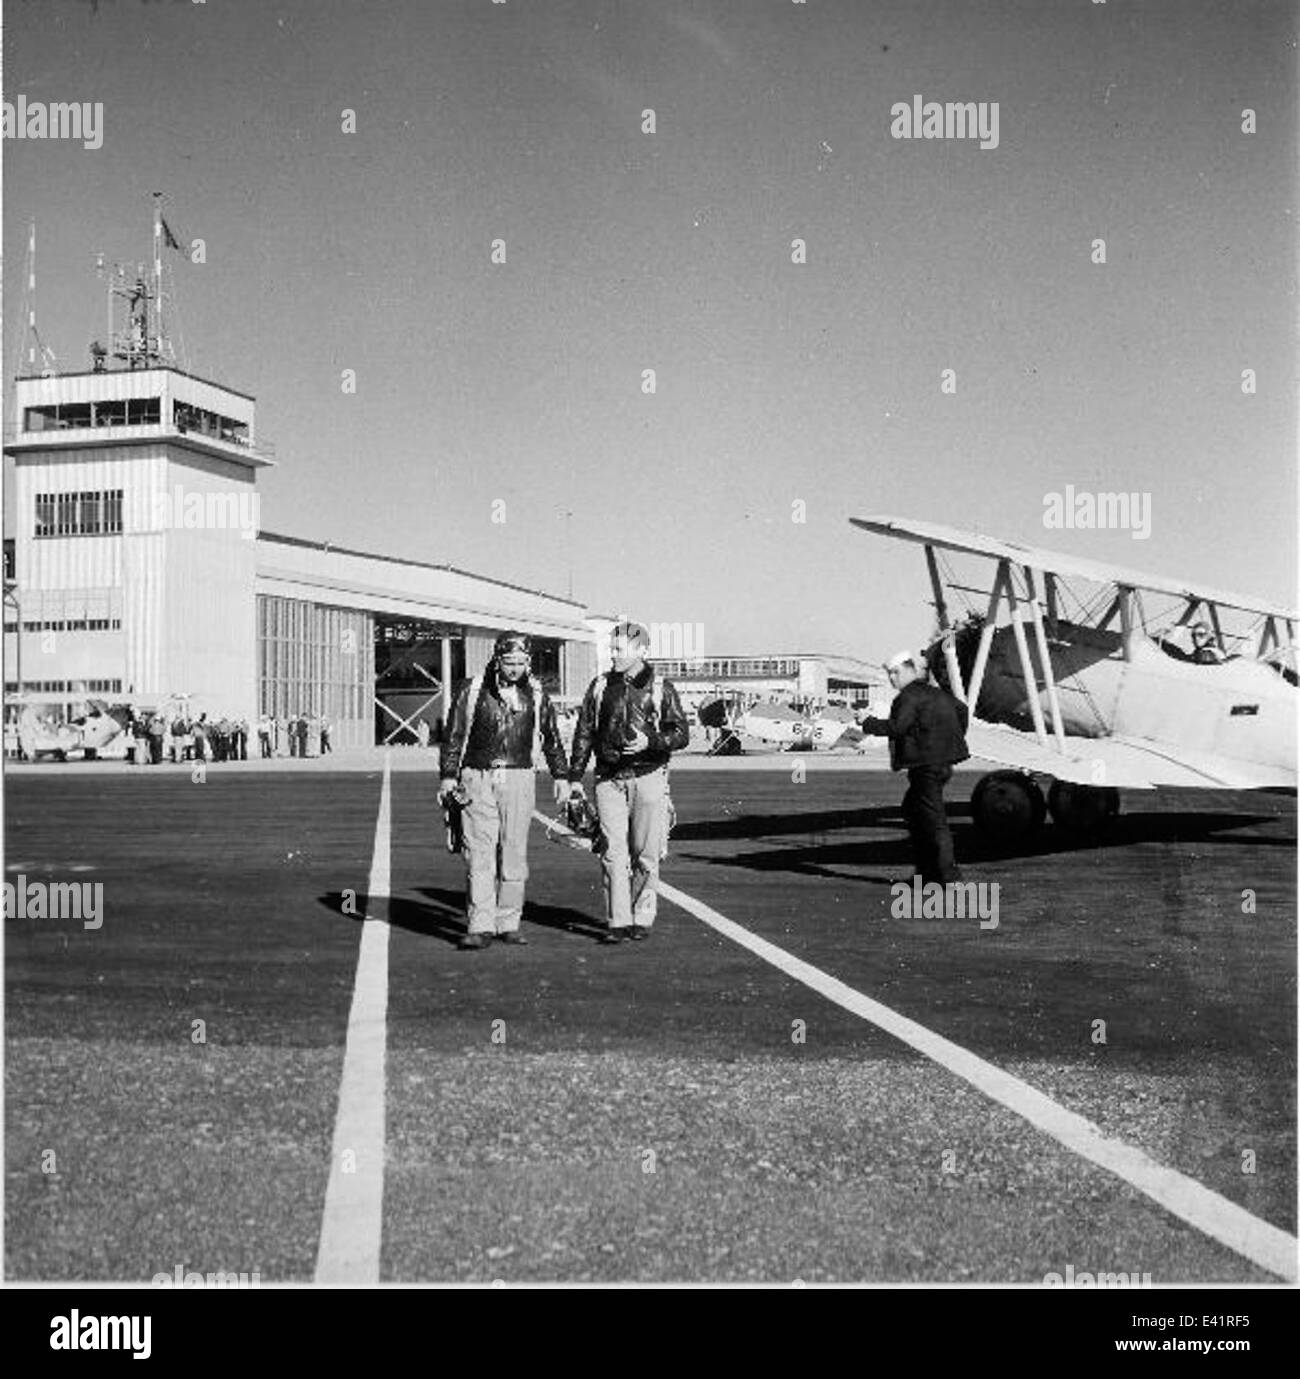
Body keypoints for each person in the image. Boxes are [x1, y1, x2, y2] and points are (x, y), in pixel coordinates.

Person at [438, 631, 570, 950]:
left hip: (519, 776)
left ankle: (508, 921)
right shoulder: (471, 691)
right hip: (476, 777)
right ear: (497, 658)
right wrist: (447, 776)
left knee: (513, 852)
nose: (515, 668)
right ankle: (480, 924)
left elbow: (551, 738)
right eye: (509, 661)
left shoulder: (537, 695)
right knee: (479, 853)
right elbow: (454, 735)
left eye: (521, 662)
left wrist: (562, 776)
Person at [568, 620, 691, 943]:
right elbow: (584, 733)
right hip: (609, 779)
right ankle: (617, 921)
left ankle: (642, 915)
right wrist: (574, 778)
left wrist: (650, 741)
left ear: (642, 651)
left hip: (648, 777)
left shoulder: (661, 687)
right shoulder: (599, 686)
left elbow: (681, 734)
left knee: (646, 853)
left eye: (619, 649)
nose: (613, 655)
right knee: (612, 851)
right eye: (612, 648)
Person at [858, 649, 969, 884]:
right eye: (889, 674)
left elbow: (896, 727)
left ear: (910, 670)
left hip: (925, 768)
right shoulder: (935, 693)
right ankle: (927, 874)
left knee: (934, 822)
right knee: (913, 811)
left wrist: (866, 722)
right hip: (941, 765)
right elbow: (962, 710)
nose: (892, 679)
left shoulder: (907, 697)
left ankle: (950, 878)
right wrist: (947, 742)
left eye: (895, 673)